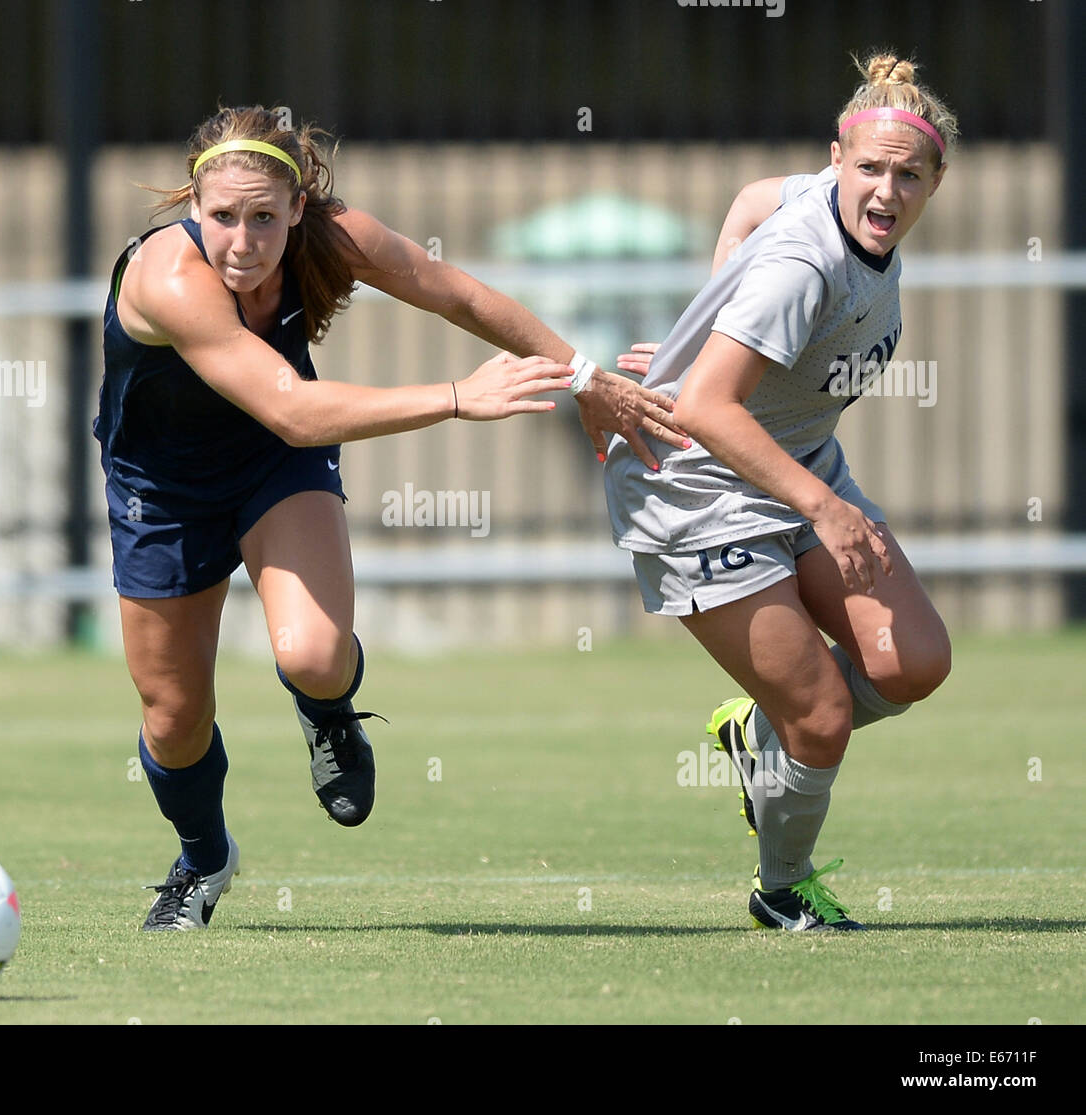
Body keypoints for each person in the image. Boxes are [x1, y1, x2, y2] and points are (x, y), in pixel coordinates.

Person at [96, 103, 688, 930]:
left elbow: (458, 293)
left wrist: (586, 376)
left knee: (313, 653)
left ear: (298, 208)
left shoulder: (331, 237)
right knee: (172, 714)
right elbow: (296, 408)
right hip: (161, 488)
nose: (242, 239)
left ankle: (329, 714)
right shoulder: (167, 278)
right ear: (193, 206)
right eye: (222, 216)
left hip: (273, 463)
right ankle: (202, 858)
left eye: (264, 217)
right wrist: (456, 397)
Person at [605, 54, 957, 930]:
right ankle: (782, 885)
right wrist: (824, 506)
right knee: (825, 716)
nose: (885, 191)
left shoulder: (823, 198)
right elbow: (706, 408)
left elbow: (752, 197)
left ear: (935, 181)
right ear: (838, 159)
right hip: (695, 487)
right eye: (869, 169)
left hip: (791, 463)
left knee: (913, 661)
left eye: (907, 174)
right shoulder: (805, 266)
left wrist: (707, 319)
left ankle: (757, 737)